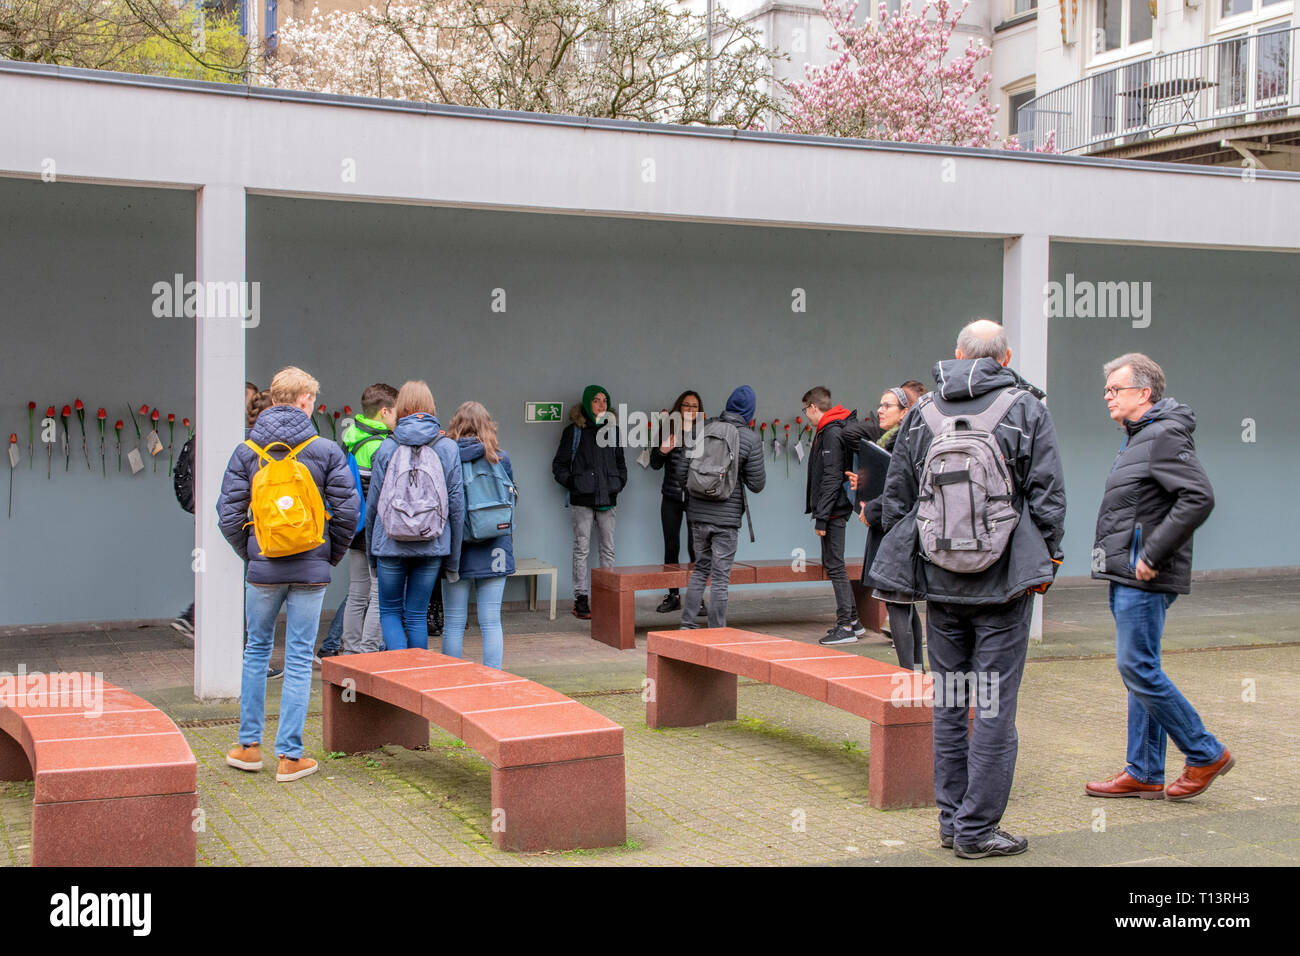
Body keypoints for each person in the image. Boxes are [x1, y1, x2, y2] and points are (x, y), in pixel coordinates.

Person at [872, 320, 1066, 859]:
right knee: (995, 706)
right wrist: (1045, 557)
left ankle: (952, 823)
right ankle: (978, 831)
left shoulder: (923, 413)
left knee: (952, 703)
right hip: (1003, 584)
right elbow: (1048, 493)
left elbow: (897, 497)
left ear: (958, 355)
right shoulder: (1026, 408)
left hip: (940, 584)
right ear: (1004, 360)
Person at [1085, 353, 1231, 801]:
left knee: (1137, 666)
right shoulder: (1140, 437)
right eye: (1107, 389)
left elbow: (1199, 497)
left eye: (1116, 389)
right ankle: (1144, 770)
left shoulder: (1162, 435)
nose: (1107, 396)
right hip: (1127, 571)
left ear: (1144, 393)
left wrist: (1153, 551)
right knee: (1141, 668)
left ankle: (1205, 752)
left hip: (1144, 573)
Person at [218, 366, 360, 783]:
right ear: (303, 401)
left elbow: (228, 514)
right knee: (299, 658)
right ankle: (290, 756)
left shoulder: (247, 451)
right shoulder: (327, 450)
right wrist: (327, 556)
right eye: (311, 399)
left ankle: (247, 747)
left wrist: (253, 551)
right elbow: (349, 512)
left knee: (256, 652)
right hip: (311, 571)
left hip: (262, 572)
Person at [365, 380, 464, 651]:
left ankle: (400, 677)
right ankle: (418, 678)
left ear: (401, 408)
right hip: (432, 544)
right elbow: (456, 506)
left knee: (389, 612)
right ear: (431, 407)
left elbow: (373, 503)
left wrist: (371, 554)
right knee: (417, 615)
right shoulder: (447, 448)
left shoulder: (387, 447)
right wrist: (452, 559)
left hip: (390, 545)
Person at [317, 383, 399, 660]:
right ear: (384, 411)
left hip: (352, 525)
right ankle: (369, 650)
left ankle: (350, 649)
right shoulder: (382, 445)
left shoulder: (349, 438)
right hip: (375, 529)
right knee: (379, 593)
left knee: (357, 591)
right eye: (396, 412)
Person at [850, 384, 928, 671]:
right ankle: (916, 671)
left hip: (895, 530)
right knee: (903, 603)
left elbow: (902, 491)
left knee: (897, 602)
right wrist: (865, 484)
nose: (880, 410)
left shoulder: (903, 442)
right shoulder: (893, 440)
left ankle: (910, 675)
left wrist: (871, 509)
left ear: (905, 412)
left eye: (888, 406)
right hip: (891, 526)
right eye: (880, 405)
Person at [680, 386, 766, 628]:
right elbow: (758, 484)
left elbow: (680, 473)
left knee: (699, 570)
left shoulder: (702, 429)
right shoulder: (749, 438)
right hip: (726, 519)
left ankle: (687, 625)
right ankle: (717, 631)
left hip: (697, 515)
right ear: (750, 412)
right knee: (720, 577)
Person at [441, 402, 516, 670]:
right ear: (488, 425)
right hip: (495, 544)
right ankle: (492, 681)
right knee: (491, 620)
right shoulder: (500, 458)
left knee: (453, 621)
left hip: (456, 548)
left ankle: (452, 682)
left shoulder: (446, 458)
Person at [551, 385, 626, 619]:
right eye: (596, 400)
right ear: (586, 403)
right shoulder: (573, 431)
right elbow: (559, 466)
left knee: (608, 549)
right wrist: (575, 483)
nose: (601, 405)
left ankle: (608, 597)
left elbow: (621, 463)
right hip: (582, 499)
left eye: (605, 400)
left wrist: (619, 482)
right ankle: (581, 599)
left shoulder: (613, 431)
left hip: (608, 499)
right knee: (581, 549)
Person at [801, 386, 865, 645]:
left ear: (813, 407)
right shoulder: (833, 428)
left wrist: (822, 516)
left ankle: (846, 625)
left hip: (834, 510)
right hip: (835, 508)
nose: (806, 415)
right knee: (833, 563)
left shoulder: (831, 432)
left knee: (835, 565)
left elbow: (831, 477)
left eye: (806, 410)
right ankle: (855, 622)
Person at [650, 390, 703, 613]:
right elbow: (654, 463)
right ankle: (672, 595)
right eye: (686, 405)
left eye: (694, 406)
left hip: (696, 498)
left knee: (696, 549)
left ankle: (697, 598)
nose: (690, 409)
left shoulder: (704, 432)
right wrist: (662, 451)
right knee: (671, 547)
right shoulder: (668, 429)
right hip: (671, 497)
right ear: (679, 408)